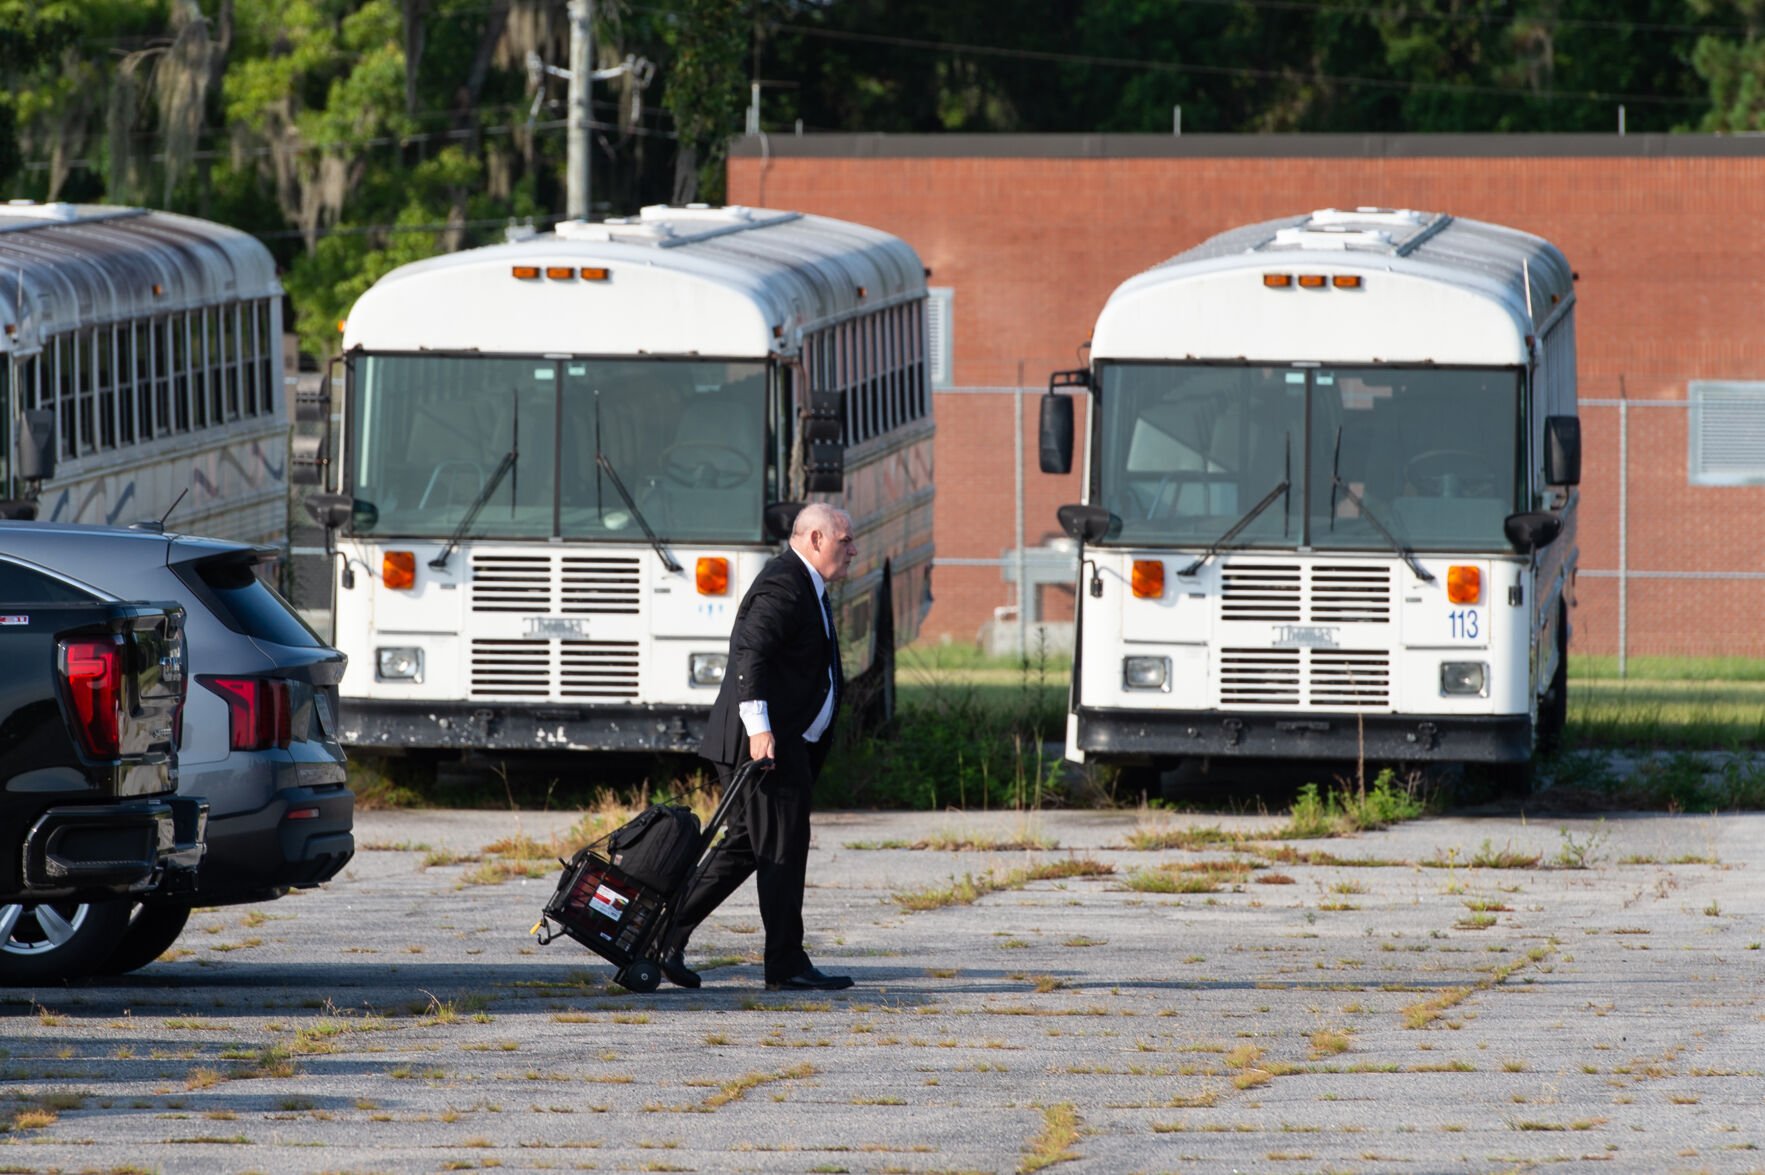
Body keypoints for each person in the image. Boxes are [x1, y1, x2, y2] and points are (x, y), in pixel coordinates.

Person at [659, 501, 857, 991]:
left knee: (747, 847)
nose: (853, 550)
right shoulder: (783, 584)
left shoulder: (806, 583)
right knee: (783, 850)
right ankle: (786, 964)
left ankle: (662, 936)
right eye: (845, 540)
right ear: (815, 539)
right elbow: (750, 653)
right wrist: (759, 729)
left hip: (778, 743)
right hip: (764, 747)